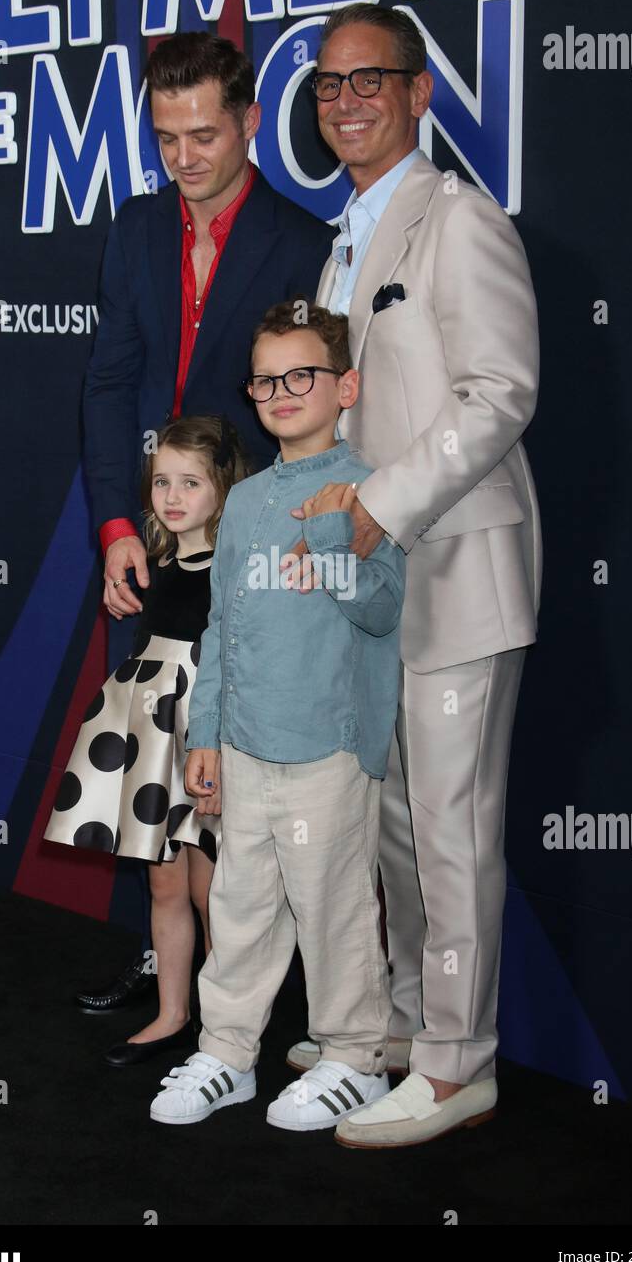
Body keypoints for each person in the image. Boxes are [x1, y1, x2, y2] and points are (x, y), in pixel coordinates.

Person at [284, 4, 542, 1147]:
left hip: (455, 571)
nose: (345, 102)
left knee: (448, 824)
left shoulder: (460, 221)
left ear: (417, 93)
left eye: (368, 81)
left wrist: (378, 508)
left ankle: (456, 1065)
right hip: (370, 590)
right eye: (329, 87)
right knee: (390, 821)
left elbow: (500, 393)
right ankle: (400, 1025)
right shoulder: (342, 234)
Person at [73, 32, 334, 1016]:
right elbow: (106, 383)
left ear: (250, 123)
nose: (183, 156)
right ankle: (170, 969)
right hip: (146, 548)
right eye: (165, 136)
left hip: (253, 563)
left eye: (202, 134)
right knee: (160, 776)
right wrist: (115, 525)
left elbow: (310, 422)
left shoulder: (305, 243)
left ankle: (257, 991)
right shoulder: (136, 228)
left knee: (243, 780)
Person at [148, 300, 407, 1131]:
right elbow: (224, 627)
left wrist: (334, 537)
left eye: (302, 375)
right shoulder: (248, 500)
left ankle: (353, 1056)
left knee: (334, 908)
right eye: (265, 380)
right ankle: (227, 1052)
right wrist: (209, 734)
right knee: (243, 906)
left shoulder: (372, 489)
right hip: (247, 748)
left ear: (346, 386)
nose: (282, 392)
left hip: (329, 745)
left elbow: (381, 613)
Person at [46, 415, 248, 1064]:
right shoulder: (153, 562)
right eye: (162, 481)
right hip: (151, 738)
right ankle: (171, 1013)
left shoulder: (236, 570)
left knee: (210, 889)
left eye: (191, 481)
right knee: (164, 886)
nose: (172, 496)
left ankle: (226, 1027)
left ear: (224, 487)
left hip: (206, 737)